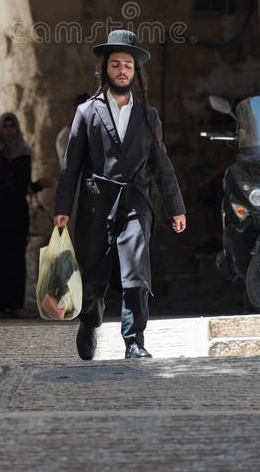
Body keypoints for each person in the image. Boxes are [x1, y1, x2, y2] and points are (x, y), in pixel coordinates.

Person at [54, 29, 187, 361]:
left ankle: (134, 341)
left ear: (135, 71)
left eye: (128, 64)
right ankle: (89, 324)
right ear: (105, 69)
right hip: (95, 203)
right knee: (93, 274)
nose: (122, 70)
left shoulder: (148, 116)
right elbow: (71, 166)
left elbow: (162, 165)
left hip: (134, 204)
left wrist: (176, 208)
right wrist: (62, 208)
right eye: (116, 64)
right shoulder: (87, 112)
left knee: (135, 272)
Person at [0, 112, 51, 316]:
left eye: (11, 126)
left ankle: (16, 303)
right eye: (5, 126)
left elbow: (25, 187)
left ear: (16, 129)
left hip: (16, 213)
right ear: (0, 128)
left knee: (15, 259)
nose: (8, 130)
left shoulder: (24, 153)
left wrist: (39, 185)